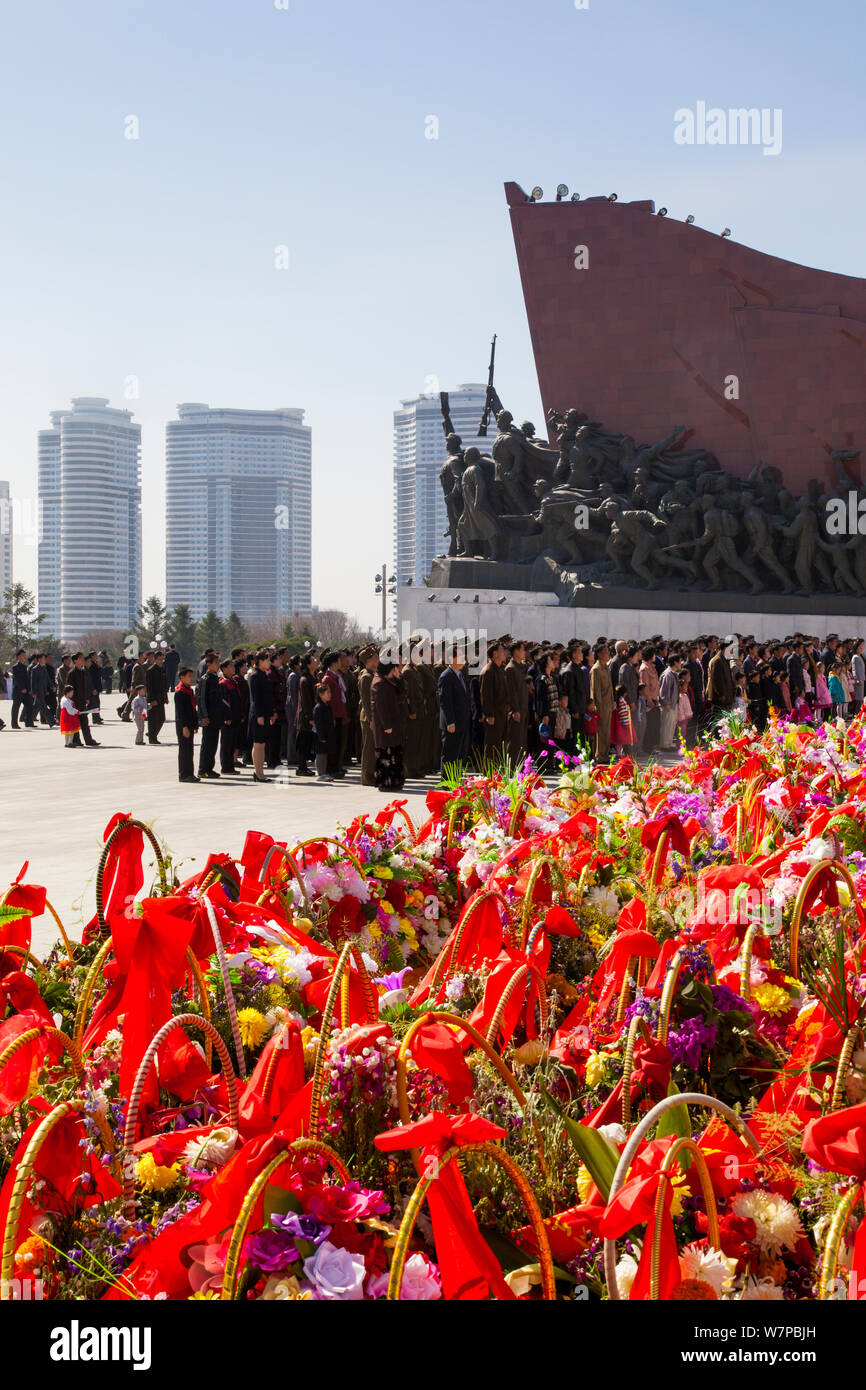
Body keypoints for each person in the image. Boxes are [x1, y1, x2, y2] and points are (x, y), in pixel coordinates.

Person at [370, 659, 405, 791]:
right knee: (387, 755)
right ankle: (386, 782)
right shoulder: (379, 683)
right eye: (395, 668)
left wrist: (399, 678)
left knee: (394, 754)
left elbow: (400, 694)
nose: (397, 670)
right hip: (385, 727)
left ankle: (395, 781)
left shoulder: (386, 681)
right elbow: (381, 707)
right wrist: (387, 725)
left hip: (393, 724)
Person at [438, 646, 472, 771]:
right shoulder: (446, 676)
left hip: (461, 721)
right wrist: (450, 722)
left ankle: (455, 779)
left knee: (459, 753)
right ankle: (447, 780)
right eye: (460, 656)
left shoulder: (459, 674)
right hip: (452, 723)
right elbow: (445, 702)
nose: (464, 658)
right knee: (449, 753)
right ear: (451, 659)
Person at [248, 648, 276, 783]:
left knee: (262, 744)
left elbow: (268, 697)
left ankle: (260, 772)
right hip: (258, 714)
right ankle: (258, 772)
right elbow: (256, 698)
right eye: (267, 660)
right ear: (260, 661)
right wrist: (259, 715)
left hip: (265, 713)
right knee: (258, 744)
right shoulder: (255, 676)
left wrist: (271, 713)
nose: (269, 662)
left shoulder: (264, 675)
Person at [479, 641, 509, 760]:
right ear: (495, 653)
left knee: (500, 745)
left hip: (502, 713)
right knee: (492, 745)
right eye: (502, 651)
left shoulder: (500, 669)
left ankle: (497, 773)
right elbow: (486, 695)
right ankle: (489, 774)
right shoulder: (488, 671)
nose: (505, 653)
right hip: (494, 715)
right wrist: (489, 714)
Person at [197, 652, 225, 779]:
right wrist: (204, 716)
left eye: (218, 663)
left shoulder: (216, 679)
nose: (218, 665)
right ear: (208, 664)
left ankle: (210, 768)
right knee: (207, 745)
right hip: (208, 718)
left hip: (216, 717)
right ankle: (203, 769)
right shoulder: (205, 679)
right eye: (216, 663)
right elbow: (201, 700)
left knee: (213, 744)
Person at [504, 640, 530, 764]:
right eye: (522, 649)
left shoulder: (521, 667)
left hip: (524, 707)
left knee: (522, 741)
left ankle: (521, 766)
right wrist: (515, 710)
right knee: (515, 741)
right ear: (516, 651)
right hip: (516, 709)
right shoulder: (510, 668)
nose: (524, 652)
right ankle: (513, 767)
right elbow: (510, 691)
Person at [294, 652, 319, 778]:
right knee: (303, 743)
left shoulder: (313, 677)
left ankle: (304, 767)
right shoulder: (304, 680)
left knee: (308, 742)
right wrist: (310, 717)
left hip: (311, 715)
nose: (316, 660)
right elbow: (306, 701)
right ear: (308, 664)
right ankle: (301, 767)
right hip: (305, 717)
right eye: (313, 659)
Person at [357, 645, 379, 786]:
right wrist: (371, 719)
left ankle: (372, 774)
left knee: (373, 747)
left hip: (374, 716)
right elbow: (366, 700)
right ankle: (367, 777)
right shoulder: (366, 676)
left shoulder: (373, 674)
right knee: (369, 748)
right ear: (368, 661)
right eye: (375, 658)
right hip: (368, 718)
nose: (378, 659)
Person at [67, 653, 100, 746]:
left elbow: (84, 687)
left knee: (84, 721)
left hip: (82, 701)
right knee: (76, 722)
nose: (82, 660)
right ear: (75, 661)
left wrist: (86, 698)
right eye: (80, 658)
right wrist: (71, 700)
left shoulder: (82, 672)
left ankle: (89, 740)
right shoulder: (72, 673)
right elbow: (69, 688)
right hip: (75, 702)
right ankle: (76, 740)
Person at [174, 667, 199, 783]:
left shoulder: (189, 690)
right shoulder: (180, 692)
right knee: (184, 750)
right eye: (189, 676)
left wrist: (195, 724)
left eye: (191, 676)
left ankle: (190, 773)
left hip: (190, 723)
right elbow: (180, 712)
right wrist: (184, 727)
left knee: (190, 750)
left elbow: (193, 709)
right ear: (181, 677)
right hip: (183, 725)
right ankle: (183, 774)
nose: (191, 678)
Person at [589, 642, 613, 763]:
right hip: (601, 705)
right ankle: (599, 756)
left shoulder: (606, 667)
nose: (608, 654)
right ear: (599, 654)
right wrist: (597, 706)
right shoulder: (596, 669)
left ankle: (605, 754)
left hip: (609, 704)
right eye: (605, 652)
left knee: (607, 731)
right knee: (601, 731)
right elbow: (595, 690)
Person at [219, 658, 242, 775]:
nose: (233, 668)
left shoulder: (232, 681)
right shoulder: (223, 683)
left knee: (232, 743)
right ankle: (226, 767)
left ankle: (230, 765)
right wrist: (226, 717)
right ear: (224, 669)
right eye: (231, 666)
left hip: (236, 717)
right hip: (228, 719)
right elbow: (224, 702)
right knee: (226, 743)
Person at [658, 652, 682, 752]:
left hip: (673, 703)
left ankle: (668, 743)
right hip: (668, 704)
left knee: (671, 724)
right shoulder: (668, 674)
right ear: (675, 663)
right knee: (666, 724)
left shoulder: (673, 674)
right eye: (679, 662)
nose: (681, 664)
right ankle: (664, 744)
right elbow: (664, 690)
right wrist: (666, 703)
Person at [313, 681, 336, 782]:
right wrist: (321, 736)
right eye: (327, 693)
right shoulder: (318, 708)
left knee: (325, 754)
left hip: (328, 734)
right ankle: (320, 773)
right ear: (321, 695)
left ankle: (324, 772)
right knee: (320, 754)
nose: (330, 695)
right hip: (321, 736)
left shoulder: (328, 706)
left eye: (330, 693)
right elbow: (318, 724)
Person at [145, 651, 168, 744]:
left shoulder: (162, 669)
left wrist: (165, 697)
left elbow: (164, 685)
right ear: (154, 659)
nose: (161, 661)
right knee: (153, 719)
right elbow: (149, 686)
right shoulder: (151, 670)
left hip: (161, 697)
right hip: (153, 698)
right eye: (159, 659)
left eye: (162, 659)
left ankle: (151, 734)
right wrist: (151, 700)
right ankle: (152, 738)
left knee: (162, 718)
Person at [10, 650, 33, 729]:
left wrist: (29, 689)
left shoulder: (25, 667)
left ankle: (29, 722)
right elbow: (17, 679)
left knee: (29, 705)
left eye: (25, 655)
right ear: (19, 657)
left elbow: (27, 679)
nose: (24, 657)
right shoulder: (15, 667)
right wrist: (22, 688)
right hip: (18, 691)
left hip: (26, 691)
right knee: (16, 707)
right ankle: (14, 724)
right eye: (23, 655)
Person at [611, 682, 635, 757]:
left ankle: (620, 752)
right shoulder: (622, 701)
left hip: (618, 722)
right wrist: (625, 722)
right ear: (624, 693)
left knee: (619, 739)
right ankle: (619, 753)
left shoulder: (617, 701)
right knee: (621, 739)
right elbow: (623, 712)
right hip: (622, 722)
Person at [59, 684, 80, 748]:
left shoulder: (64, 699)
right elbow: (70, 710)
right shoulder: (65, 700)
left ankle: (67, 742)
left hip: (67, 716)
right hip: (68, 717)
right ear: (67, 693)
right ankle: (69, 742)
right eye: (71, 693)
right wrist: (77, 711)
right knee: (70, 730)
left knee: (67, 731)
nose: (72, 694)